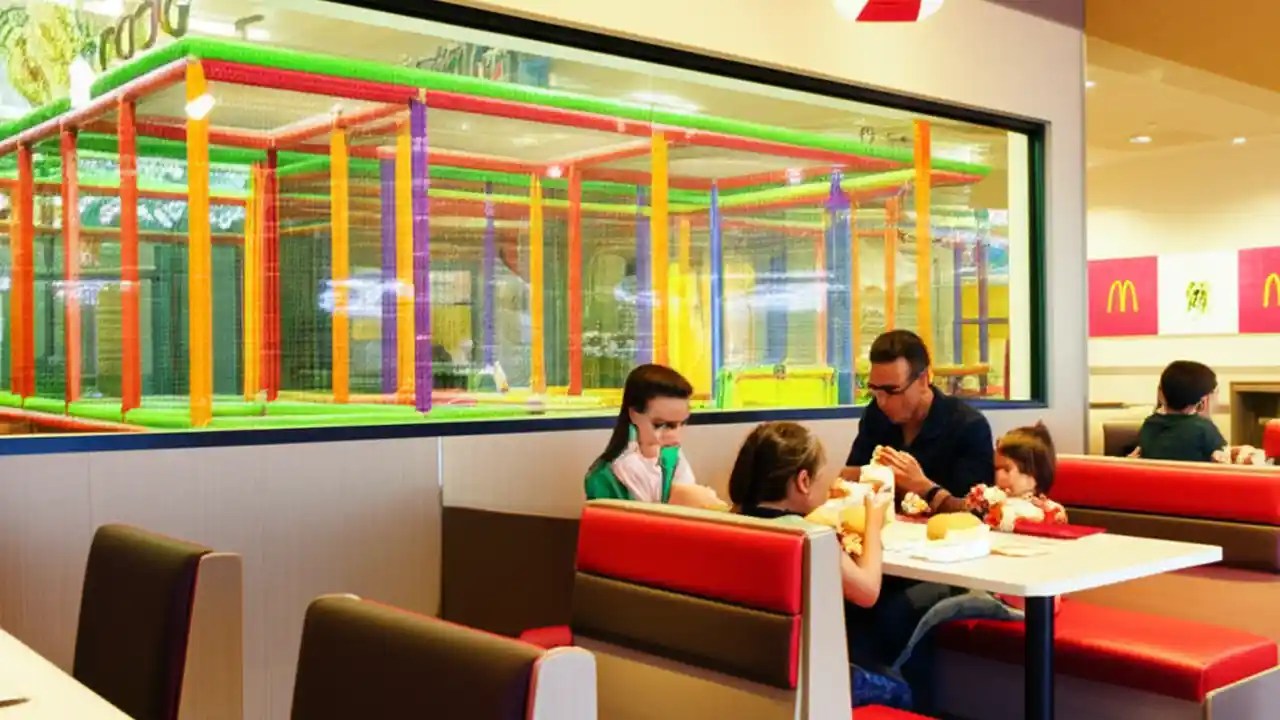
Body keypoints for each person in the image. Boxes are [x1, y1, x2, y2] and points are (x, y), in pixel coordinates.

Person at [728, 421, 908, 709]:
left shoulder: (728, 522)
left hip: (742, 669)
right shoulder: (807, 535)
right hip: (803, 681)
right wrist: (873, 521)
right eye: (822, 476)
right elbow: (867, 591)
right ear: (803, 481)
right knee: (900, 686)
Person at [844, 329, 995, 516]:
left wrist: (922, 486)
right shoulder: (876, 414)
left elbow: (977, 511)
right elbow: (847, 479)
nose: (882, 402)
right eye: (875, 390)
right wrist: (878, 474)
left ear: (923, 380)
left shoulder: (969, 427)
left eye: (892, 391)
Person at [584, 364, 722, 508]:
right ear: (634, 415)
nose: (676, 438)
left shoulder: (672, 458)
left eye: (682, 423)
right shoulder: (603, 478)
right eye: (661, 425)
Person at [1131, 360, 1228, 463]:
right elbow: (1225, 457)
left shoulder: (1149, 424)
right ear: (1203, 400)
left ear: (1162, 394)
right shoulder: (1204, 429)